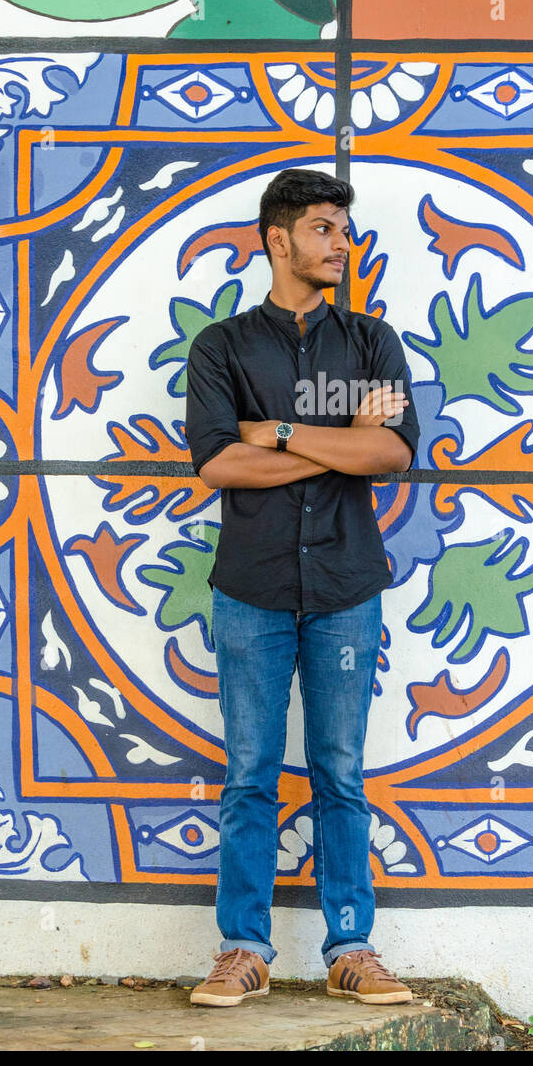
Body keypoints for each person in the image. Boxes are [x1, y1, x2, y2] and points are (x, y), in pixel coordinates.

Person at [183, 167, 421, 1007]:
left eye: (345, 231)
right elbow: (218, 463)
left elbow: (391, 455)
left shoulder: (372, 344)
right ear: (277, 239)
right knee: (249, 771)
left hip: (348, 588)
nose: (342, 245)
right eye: (325, 229)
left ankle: (351, 948)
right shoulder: (220, 347)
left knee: (340, 770)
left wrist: (278, 431)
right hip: (248, 590)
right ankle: (243, 948)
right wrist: (335, 439)